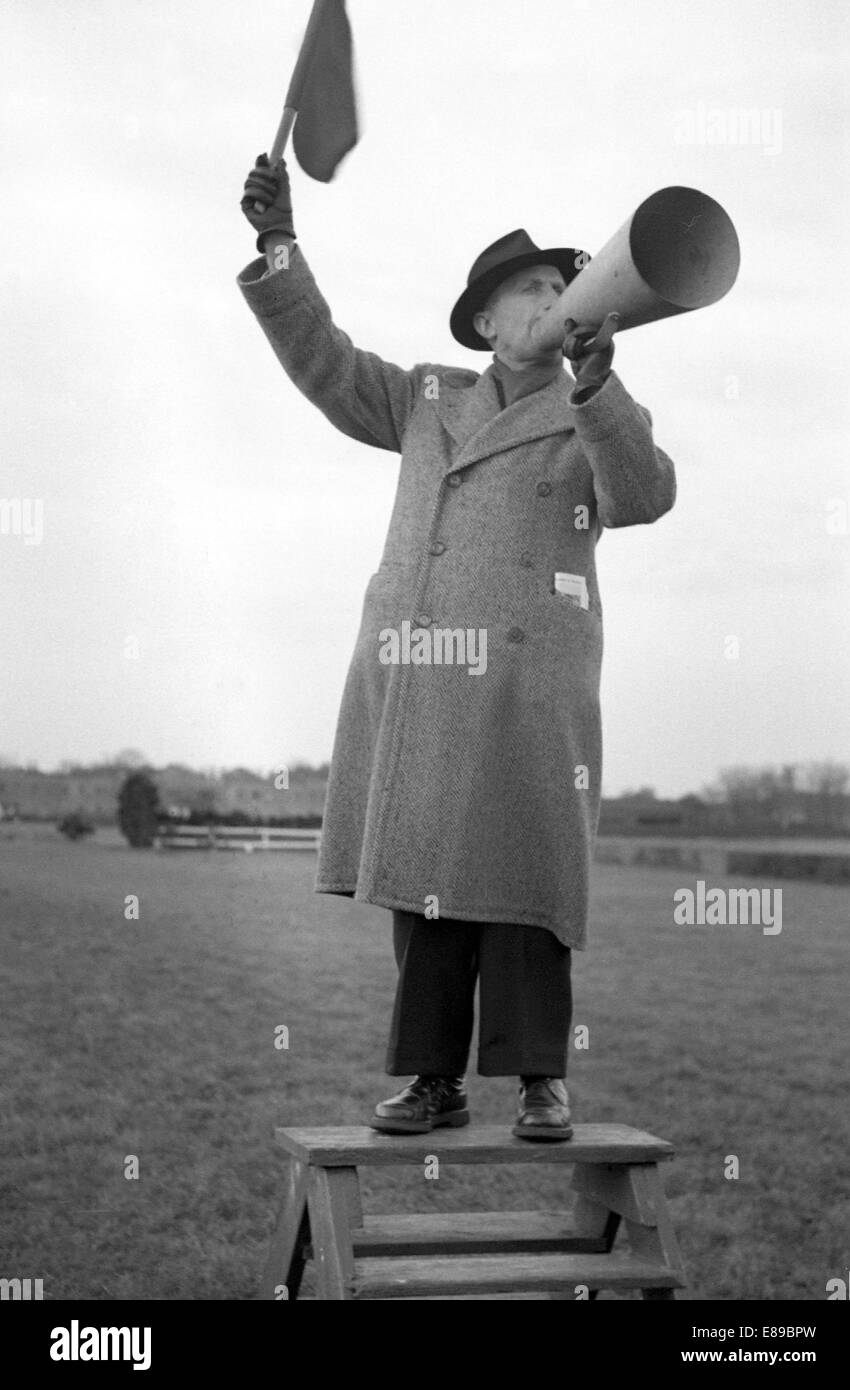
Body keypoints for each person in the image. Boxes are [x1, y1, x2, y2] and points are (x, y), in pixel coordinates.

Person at [238, 155, 677, 1141]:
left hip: (530, 684)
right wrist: (280, 246)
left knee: (526, 881)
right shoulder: (425, 395)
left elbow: (641, 497)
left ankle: (537, 1081)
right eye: (530, 286)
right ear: (484, 321)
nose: (552, 296)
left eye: (561, 284)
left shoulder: (593, 404)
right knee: (428, 883)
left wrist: (599, 390)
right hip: (422, 678)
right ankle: (431, 1080)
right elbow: (322, 359)